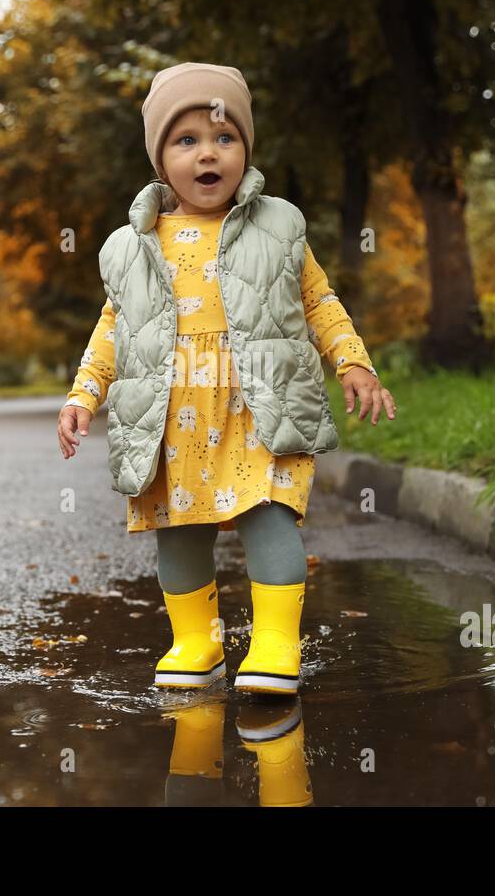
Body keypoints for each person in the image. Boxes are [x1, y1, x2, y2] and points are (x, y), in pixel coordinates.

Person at [56, 62, 396, 695]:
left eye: (223, 138)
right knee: (179, 534)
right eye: (187, 141)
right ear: (161, 159)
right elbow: (115, 327)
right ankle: (196, 642)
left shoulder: (278, 226)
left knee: (269, 517)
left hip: (258, 406)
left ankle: (274, 642)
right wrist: (84, 393)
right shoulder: (132, 245)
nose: (207, 153)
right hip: (169, 414)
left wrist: (353, 362)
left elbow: (318, 300)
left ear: (245, 150)